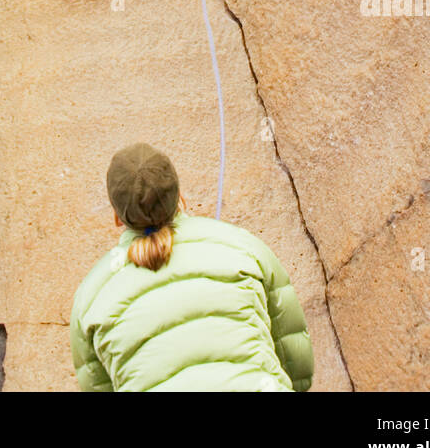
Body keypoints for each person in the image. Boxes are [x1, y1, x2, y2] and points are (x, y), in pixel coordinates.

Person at [70, 143, 314, 393]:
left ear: (117, 216)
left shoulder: (91, 298)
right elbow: (295, 359)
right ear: (179, 196)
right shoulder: (243, 247)